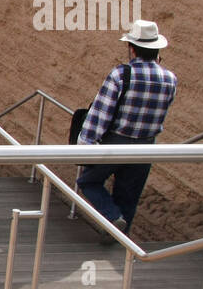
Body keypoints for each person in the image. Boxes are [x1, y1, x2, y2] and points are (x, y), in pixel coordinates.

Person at [76, 20, 178, 241]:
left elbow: (101, 112)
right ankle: (119, 240)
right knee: (129, 196)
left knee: (88, 181)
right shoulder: (170, 78)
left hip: (116, 141)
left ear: (132, 48)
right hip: (146, 146)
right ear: (157, 50)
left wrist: (85, 143)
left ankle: (112, 217)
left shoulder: (122, 74)